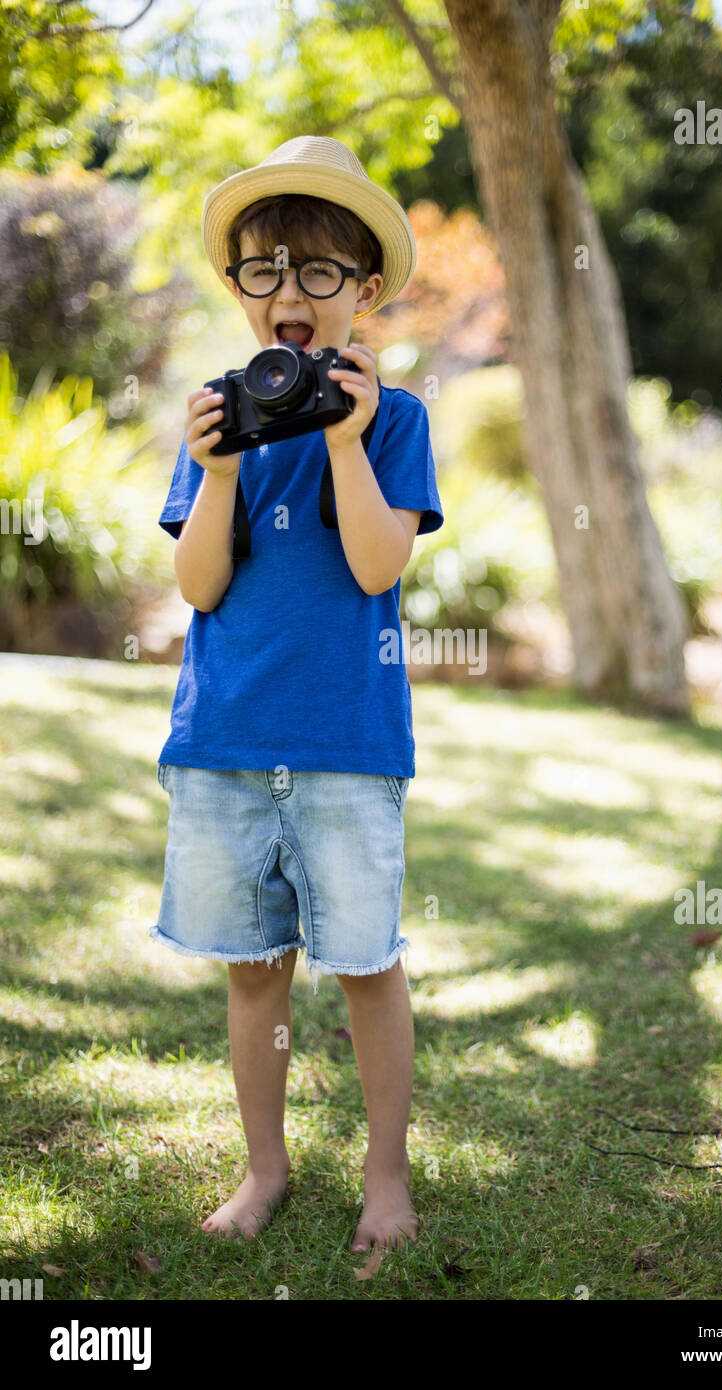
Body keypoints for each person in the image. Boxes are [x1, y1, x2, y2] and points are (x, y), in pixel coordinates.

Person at [149, 135, 444, 1253]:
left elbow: (377, 566)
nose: (292, 291)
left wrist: (348, 439)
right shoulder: (215, 420)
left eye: (320, 270)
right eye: (266, 268)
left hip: (344, 743)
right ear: (239, 290)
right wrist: (218, 472)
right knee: (252, 974)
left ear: (364, 292)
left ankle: (383, 1178)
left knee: (365, 966)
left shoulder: (395, 415)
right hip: (224, 738)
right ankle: (262, 1169)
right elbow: (199, 582)